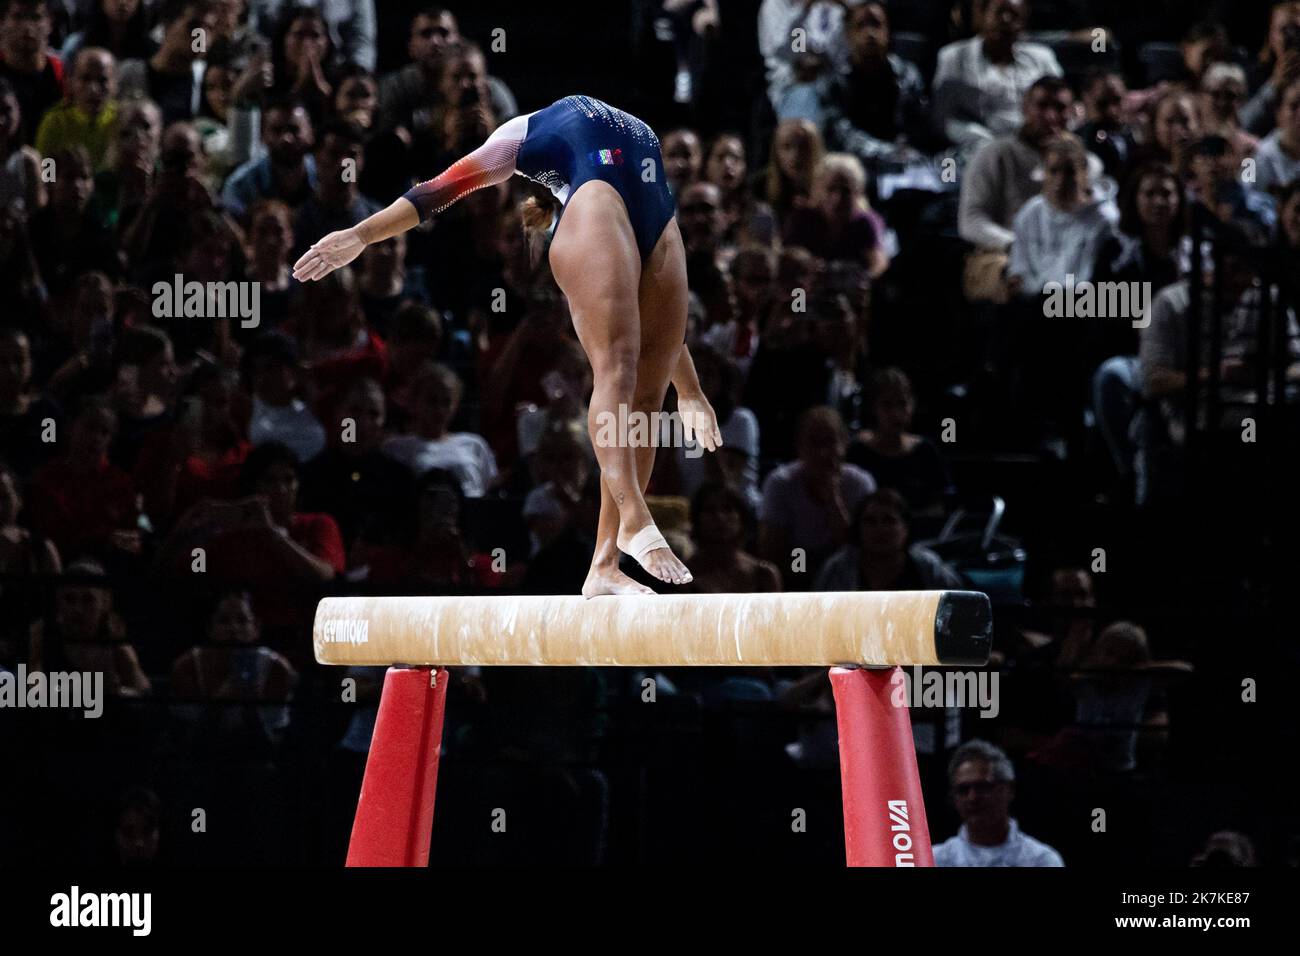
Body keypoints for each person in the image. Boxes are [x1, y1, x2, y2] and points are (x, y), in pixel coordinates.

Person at [293, 94, 724, 596]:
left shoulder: (553, 141)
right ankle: (632, 515)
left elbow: (664, 329)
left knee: (650, 395)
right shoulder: (519, 137)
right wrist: (362, 235)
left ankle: (605, 565)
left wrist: (689, 391)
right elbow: (434, 193)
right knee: (619, 370)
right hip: (598, 205)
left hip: (653, 218)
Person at [932, 0, 1063, 154]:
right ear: (982, 15)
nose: (1006, 19)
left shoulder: (1042, 58)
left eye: (1014, 15)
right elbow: (944, 118)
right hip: (977, 146)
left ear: (1023, 22)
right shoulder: (953, 57)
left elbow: (1063, 103)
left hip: (1035, 143)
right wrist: (984, 142)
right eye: (999, 12)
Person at [932, 739, 1065, 867]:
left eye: (982, 787)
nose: (972, 797)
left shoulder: (1040, 860)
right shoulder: (934, 859)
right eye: (963, 790)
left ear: (1009, 790)